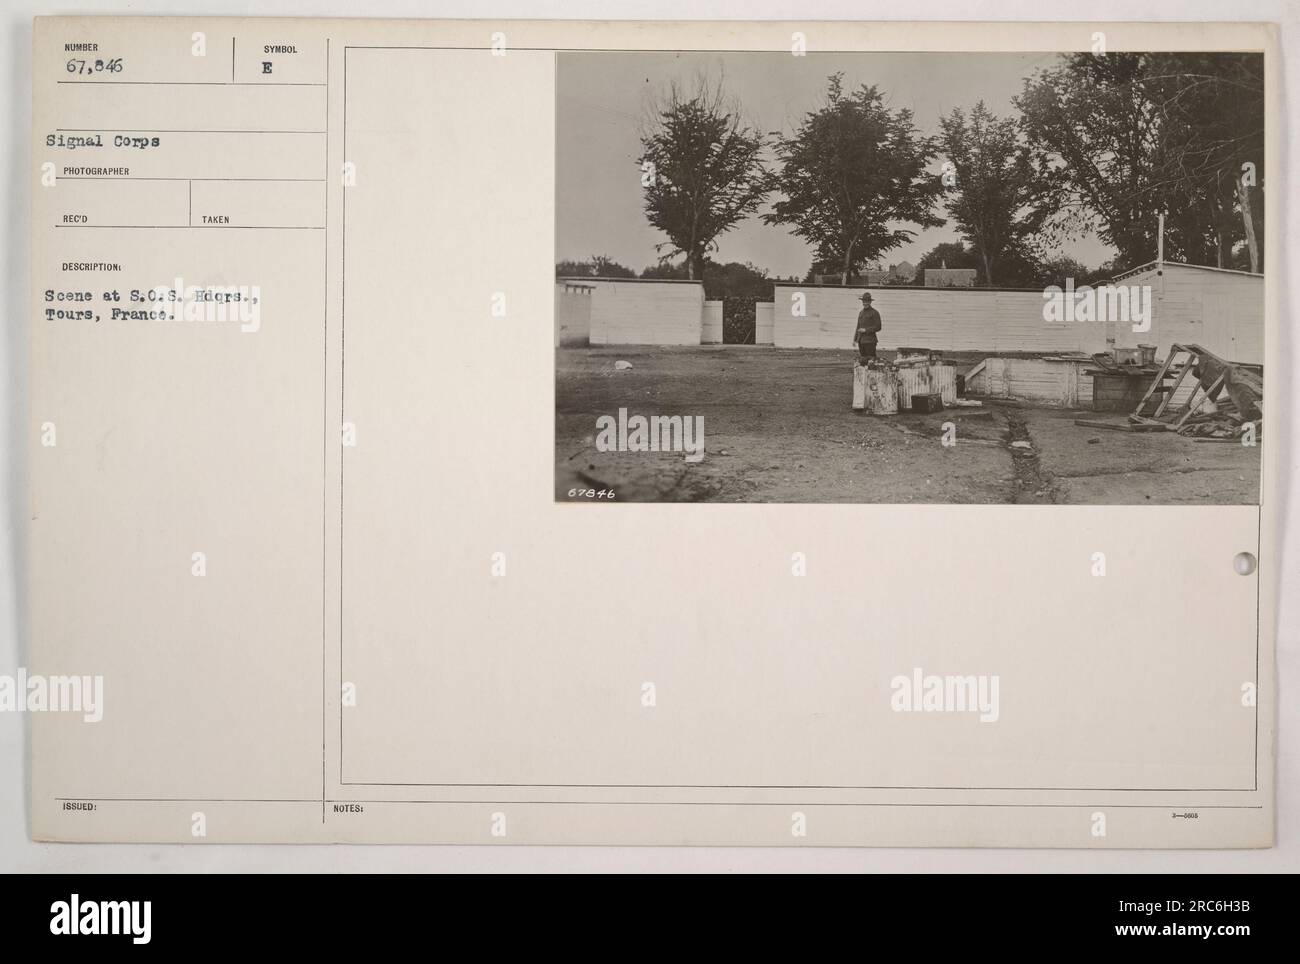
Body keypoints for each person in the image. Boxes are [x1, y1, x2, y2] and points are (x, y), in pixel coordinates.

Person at [854, 292, 882, 363]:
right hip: (861, 341)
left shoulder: (875, 313)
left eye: (867, 301)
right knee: (863, 361)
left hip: (870, 342)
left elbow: (878, 327)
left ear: (870, 302)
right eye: (864, 301)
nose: (865, 303)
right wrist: (855, 339)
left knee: (872, 361)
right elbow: (858, 326)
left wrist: (866, 330)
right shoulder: (861, 313)